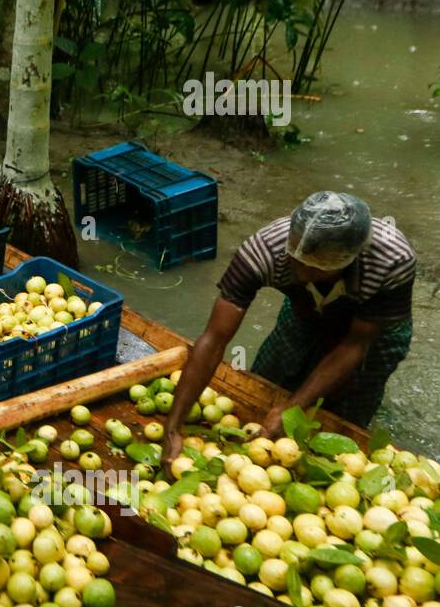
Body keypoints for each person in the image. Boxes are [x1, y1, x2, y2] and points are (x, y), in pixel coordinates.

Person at [164, 192, 414, 462]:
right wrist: (173, 427)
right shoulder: (264, 251)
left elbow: (355, 345)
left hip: (374, 330)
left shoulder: (392, 261)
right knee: (266, 384)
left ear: (349, 260)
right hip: (304, 311)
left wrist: (294, 406)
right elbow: (214, 338)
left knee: (346, 407)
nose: (303, 274)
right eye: (296, 263)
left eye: (317, 270)